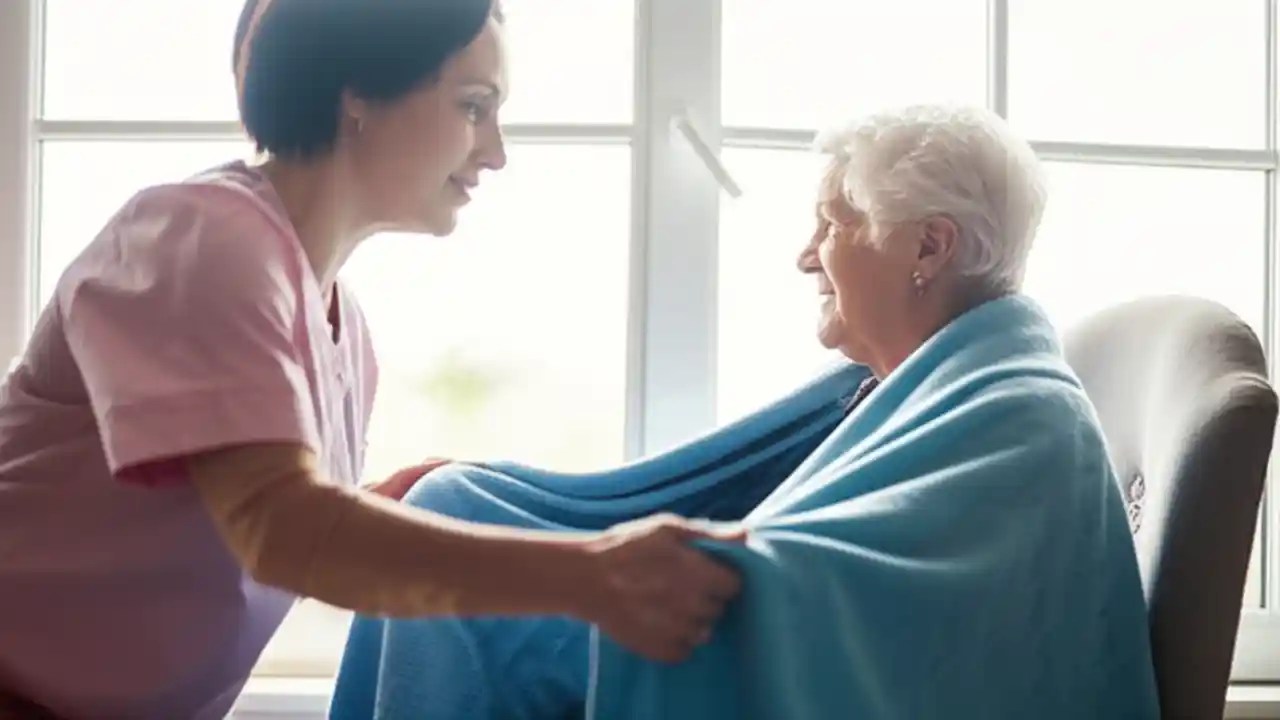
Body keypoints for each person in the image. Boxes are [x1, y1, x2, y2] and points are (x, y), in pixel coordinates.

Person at [0, 1, 743, 717]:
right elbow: (283, 531)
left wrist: (389, 504)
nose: (497, 152)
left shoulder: (342, 329)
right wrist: (593, 575)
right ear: (357, 91)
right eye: (475, 106)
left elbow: (257, 523)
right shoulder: (203, 237)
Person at [331, 105, 1161, 719]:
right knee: (452, 509)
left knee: (461, 593)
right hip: (756, 616)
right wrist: (487, 494)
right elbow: (684, 495)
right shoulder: (916, 382)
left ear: (928, 247)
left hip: (759, 642)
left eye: (832, 223)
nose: (807, 255)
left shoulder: (1018, 414)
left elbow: (857, 599)